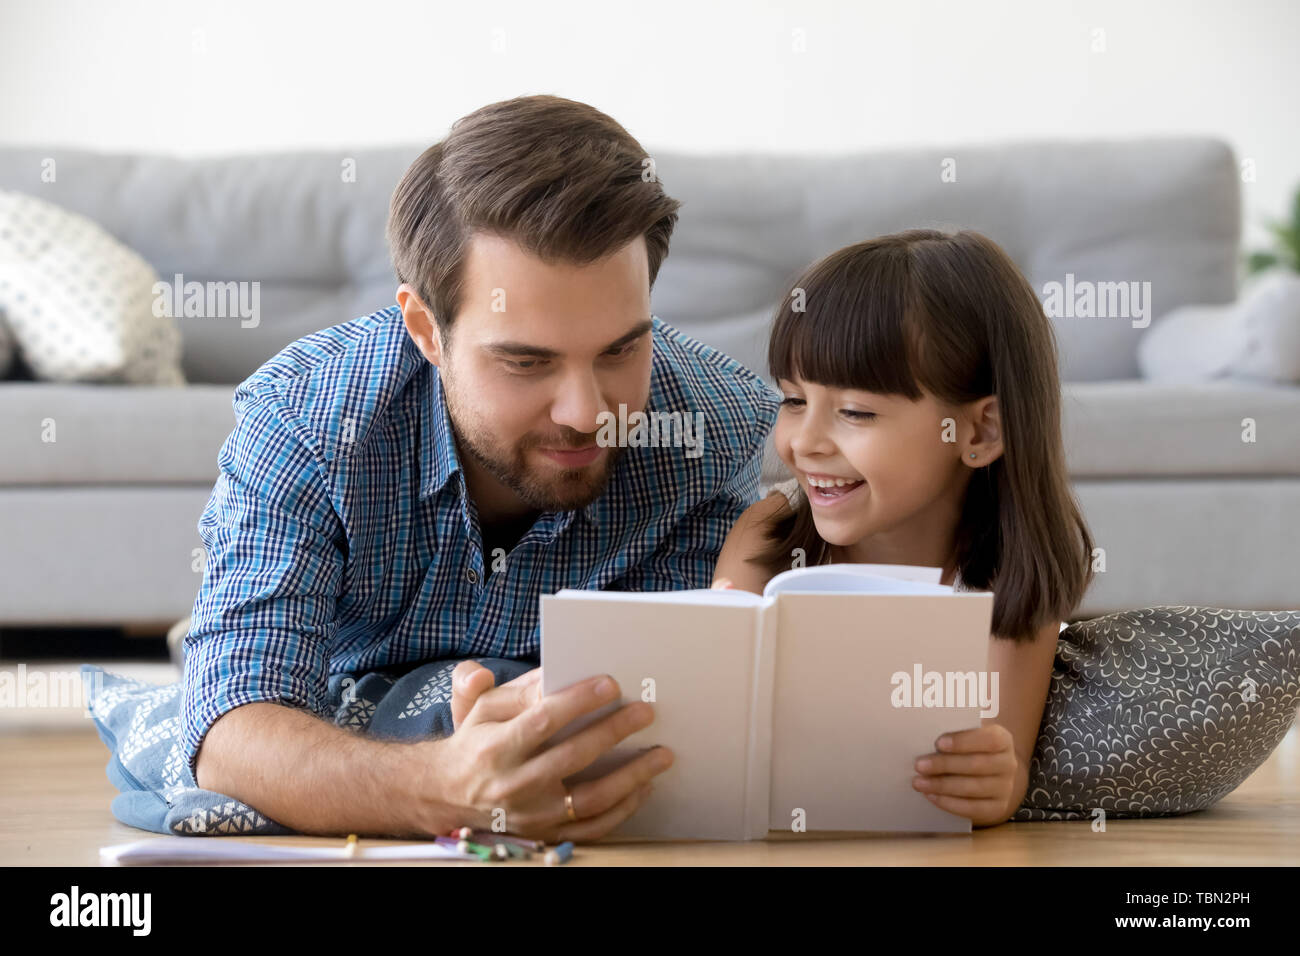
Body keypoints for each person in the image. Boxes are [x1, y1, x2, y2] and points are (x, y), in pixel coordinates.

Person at [184, 95, 779, 843]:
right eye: (526, 361)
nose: (586, 411)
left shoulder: (712, 429)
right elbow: (231, 734)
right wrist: (444, 787)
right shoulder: (306, 420)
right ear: (426, 330)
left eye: (621, 350)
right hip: (350, 679)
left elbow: (692, 722)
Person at [711, 229, 1095, 828]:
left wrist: (995, 780)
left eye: (856, 412)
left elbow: (1005, 759)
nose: (804, 442)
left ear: (979, 433)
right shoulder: (769, 537)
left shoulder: (1007, 577)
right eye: (792, 400)